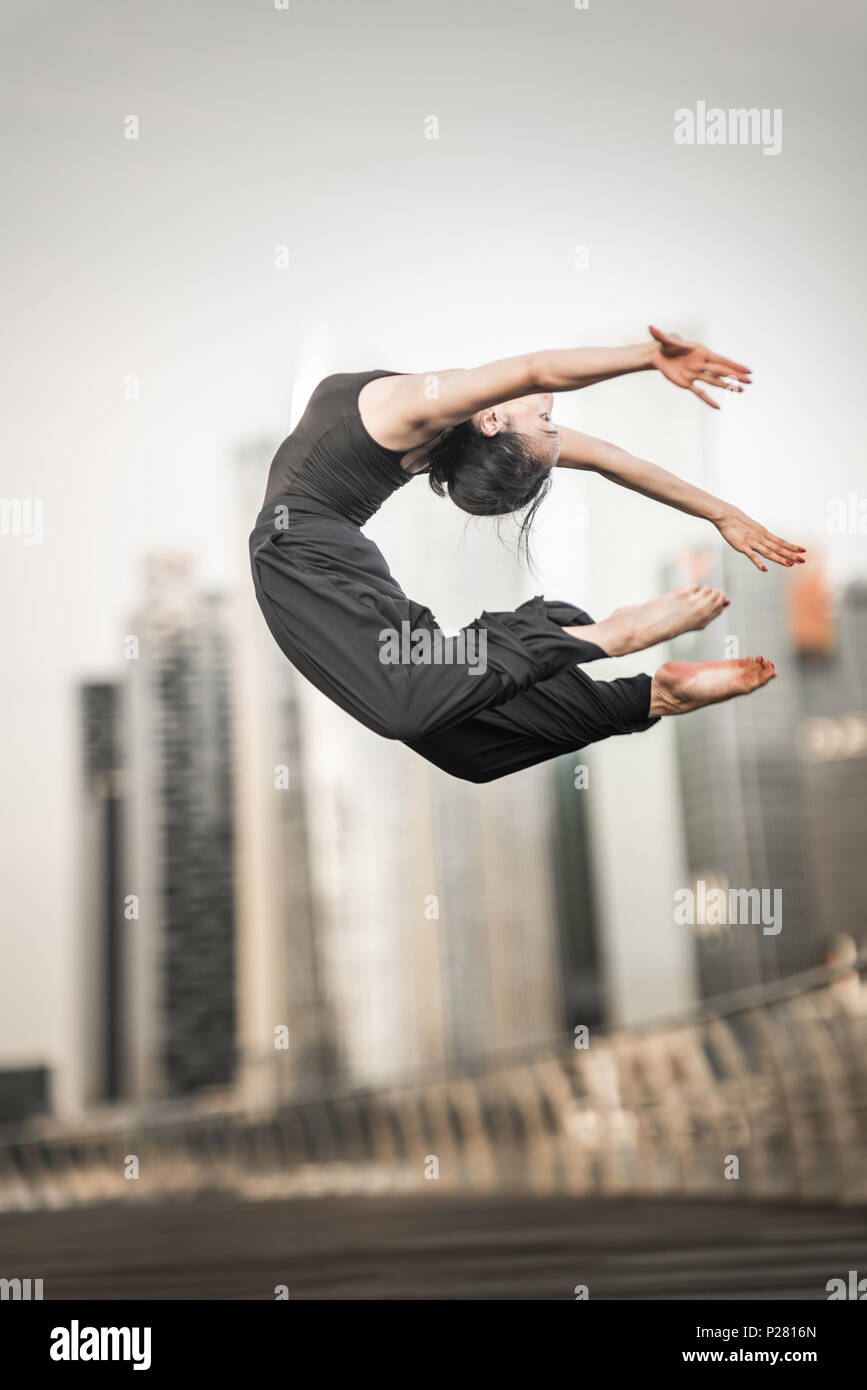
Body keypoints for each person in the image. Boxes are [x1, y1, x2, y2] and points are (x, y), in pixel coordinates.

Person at [249, 326, 804, 784]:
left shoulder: (447, 420)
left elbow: (608, 453)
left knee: (451, 727)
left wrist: (721, 512)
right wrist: (647, 357)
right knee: (430, 716)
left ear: (492, 420)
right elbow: (543, 378)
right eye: (548, 419)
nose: (550, 406)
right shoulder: (423, 407)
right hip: (314, 552)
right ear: (489, 420)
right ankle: (607, 648)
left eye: (545, 419)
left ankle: (650, 691)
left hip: (309, 556)